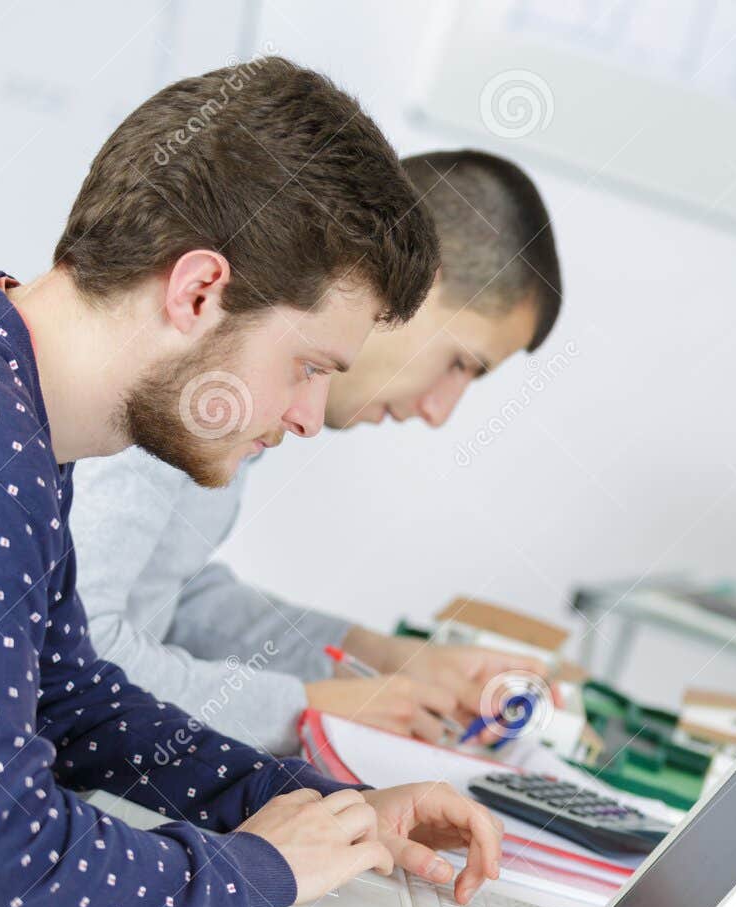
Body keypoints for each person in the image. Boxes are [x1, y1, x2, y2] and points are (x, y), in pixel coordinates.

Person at [0, 59, 504, 907]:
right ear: (198, 289)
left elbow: (66, 699)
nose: (305, 415)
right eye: (309, 367)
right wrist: (255, 867)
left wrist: (312, 809)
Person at [67, 150, 563, 755]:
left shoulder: (250, 391)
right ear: (408, 280)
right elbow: (80, 659)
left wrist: (376, 659)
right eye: (459, 363)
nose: (440, 412)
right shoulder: (177, 383)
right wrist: (308, 708)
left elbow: (171, 597)